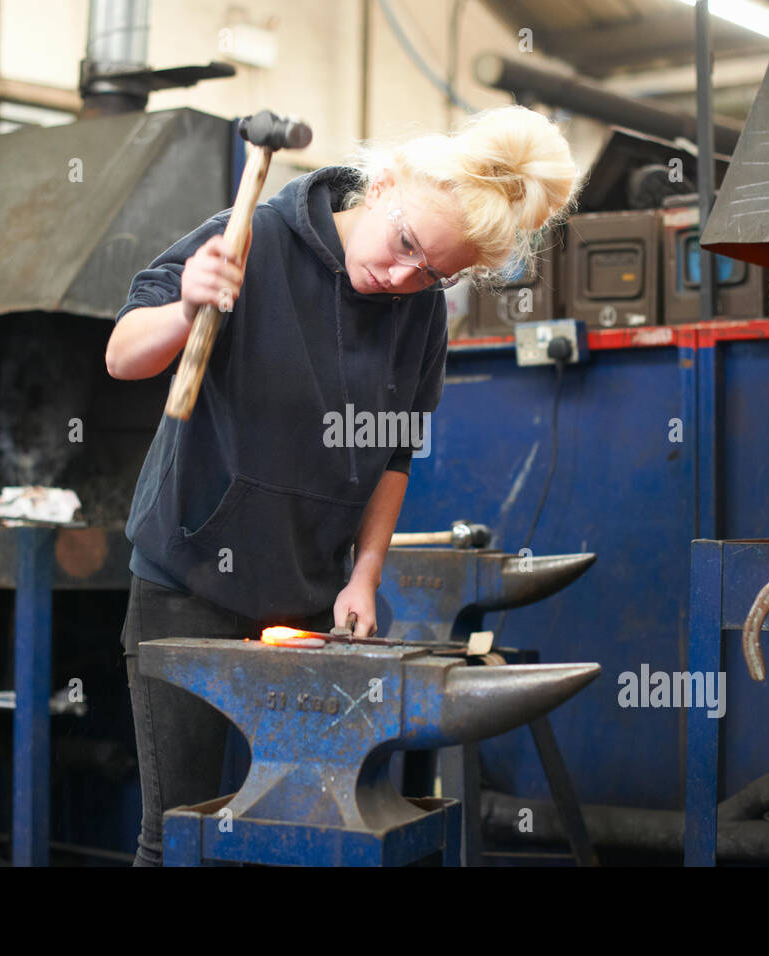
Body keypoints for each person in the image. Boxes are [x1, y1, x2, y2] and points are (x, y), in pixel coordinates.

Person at [105, 104, 581, 866]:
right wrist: (186, 304)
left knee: (298, 834)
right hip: (186, 583)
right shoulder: (247, 239)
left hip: (305, 599)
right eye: (405, 246)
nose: (400, 278)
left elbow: (396, 458)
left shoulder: (420, 312)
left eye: (433, 273)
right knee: (176, 838)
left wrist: (363, 577)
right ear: (383, 183)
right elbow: (124, 356)